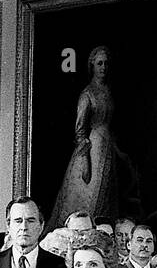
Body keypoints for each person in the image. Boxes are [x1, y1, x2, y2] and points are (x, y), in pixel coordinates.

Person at [48, 46, 125, 231]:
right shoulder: (87, 93)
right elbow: (80, 130)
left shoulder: (108, 90)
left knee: (106, 200)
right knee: (89, 200)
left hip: (108, 148)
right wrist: (85, 160)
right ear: (92, 65)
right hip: (93, 151)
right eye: (100, 63)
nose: (103, 67)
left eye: (106, 63)